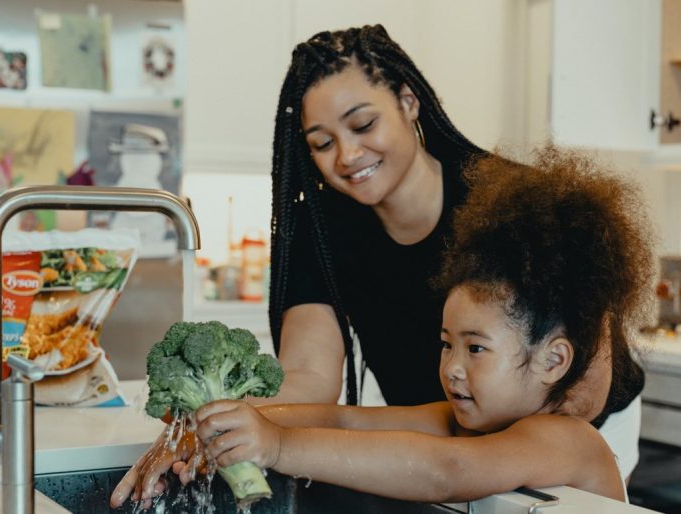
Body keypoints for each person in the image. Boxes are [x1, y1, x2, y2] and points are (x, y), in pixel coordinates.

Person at [110, 24, 645, 508]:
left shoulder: (513, 206)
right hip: (463, 420)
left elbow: (465, 460)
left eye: (363, 124)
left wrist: (276, 441)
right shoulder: (323, 231)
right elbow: (321, 389)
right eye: (322, 143)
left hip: (561, 422)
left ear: (409, 102)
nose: (347, 155)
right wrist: (221, 424)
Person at [191, 147, 652, 503]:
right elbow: (346, 419)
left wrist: (275, 445)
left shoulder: (566, 439)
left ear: (553, 359)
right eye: (446, 344)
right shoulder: (472, 424)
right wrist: (235, 424)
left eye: (475, 349)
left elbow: (446, 471)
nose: (451, 367)